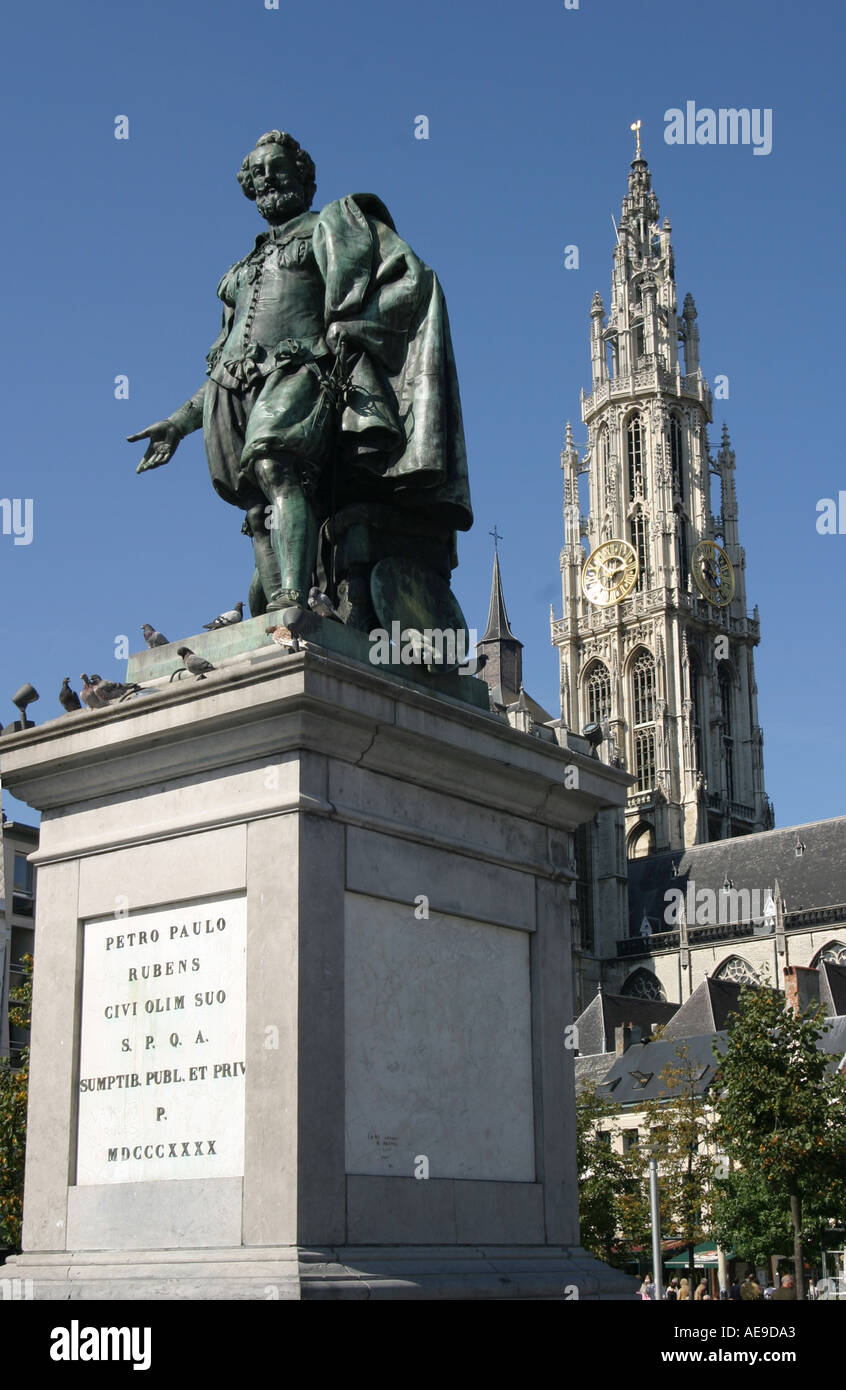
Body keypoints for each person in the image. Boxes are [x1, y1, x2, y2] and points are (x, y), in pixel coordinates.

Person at [129, 129, 472, 625]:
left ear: (303, 175)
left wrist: (352, 327)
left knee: (274, 467)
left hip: (305, 369)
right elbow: (227, 358)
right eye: (257, 171)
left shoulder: (335, 223)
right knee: (255, 506)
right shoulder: (243, 268)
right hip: (235, 389)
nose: (267, 178)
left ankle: (295, 599)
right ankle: (276, 616)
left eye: (277, 166)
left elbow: (414, 281)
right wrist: (179, 423)